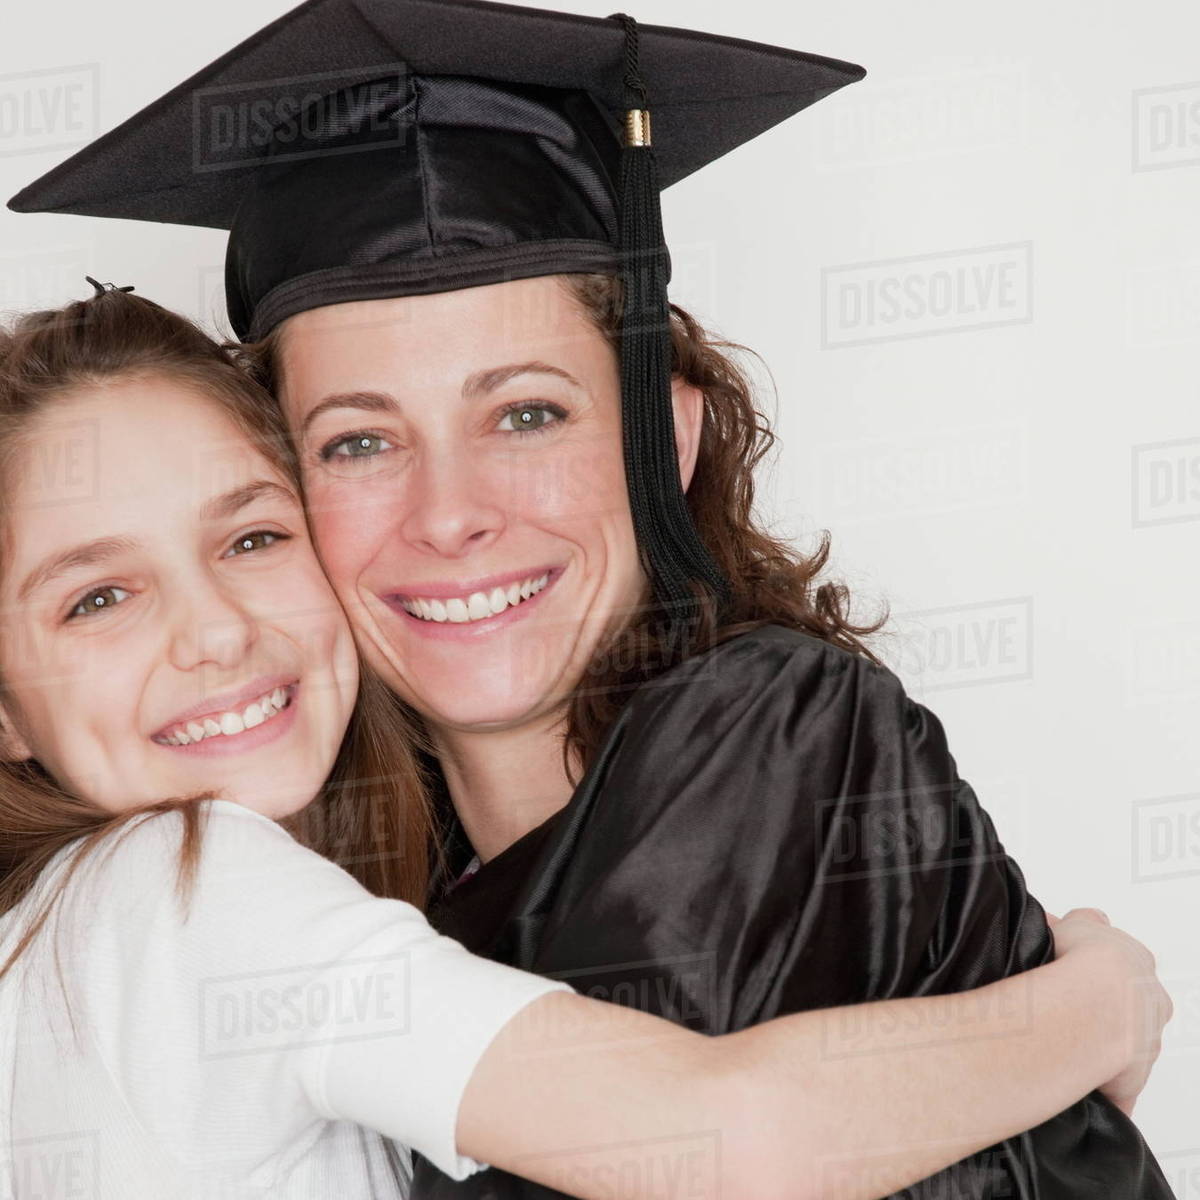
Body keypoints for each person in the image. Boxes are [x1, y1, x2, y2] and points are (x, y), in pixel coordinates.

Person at [8, 2, 1175, 1197]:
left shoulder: (769, 738)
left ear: (661, 437)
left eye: (526, 414)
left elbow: (717, 1145)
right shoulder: (328, 897)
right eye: (359, 443)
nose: (449, 512)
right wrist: (1095, 1007)